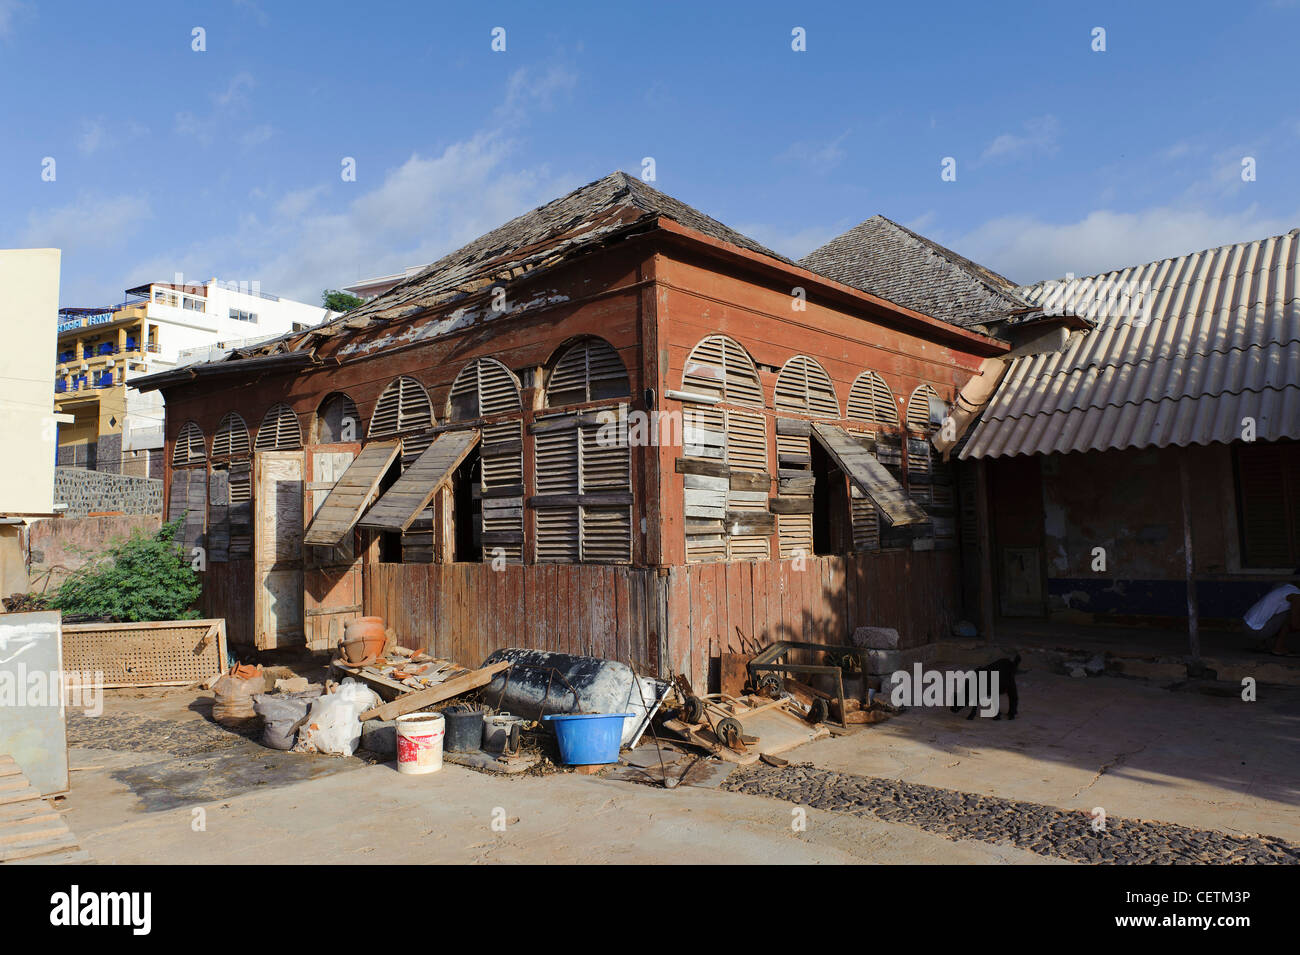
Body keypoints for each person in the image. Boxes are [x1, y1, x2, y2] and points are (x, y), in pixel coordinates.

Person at [1244, 574, 1300, 656]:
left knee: (1275, 610)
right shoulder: (1297, 596)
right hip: (1257, 631)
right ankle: (1278, 648)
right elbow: (1295, 624)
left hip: (1246, 624)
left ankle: (1262, 645)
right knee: (1291, 615)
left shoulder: (1283, 586)